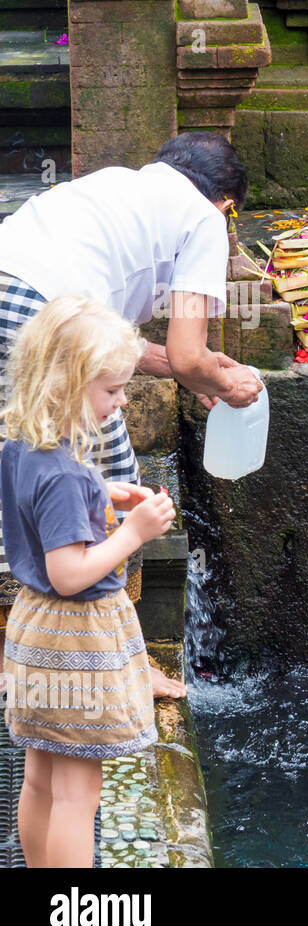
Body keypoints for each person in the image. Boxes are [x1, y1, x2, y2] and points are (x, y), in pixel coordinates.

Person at [0, 133, 262, 697]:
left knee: (17, 465)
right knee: (113, 483)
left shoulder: (119, 184)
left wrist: (188, 370)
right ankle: (122, 661)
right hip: (44, 316)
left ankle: (17, 655)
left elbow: (120, 341)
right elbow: (192, 354)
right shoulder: (206, 220)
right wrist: (227, 384)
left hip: (14, 298)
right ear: (223, 201)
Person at [0, 298, 176, 867]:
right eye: (111, 390)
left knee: (41, 782)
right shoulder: (67, 474)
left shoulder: (23, 447)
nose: (122, 401)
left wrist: (105, 495)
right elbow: (70, 573)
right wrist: (134, 534)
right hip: (76, 641)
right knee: (79, 797)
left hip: (33, 632)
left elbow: (47, 510)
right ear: (65, 384)